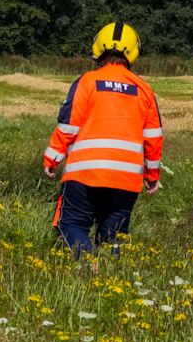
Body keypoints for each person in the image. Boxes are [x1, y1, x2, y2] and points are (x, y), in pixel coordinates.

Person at [44, 22, 163, 259]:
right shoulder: (144, 90)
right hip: (126, 178)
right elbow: (153, 138)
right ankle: (111, 281)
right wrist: (152, 176)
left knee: (72, 226)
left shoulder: (87, 81)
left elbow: (68, 124)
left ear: (98, 47)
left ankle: (88, 268)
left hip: (84, 174)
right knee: (113, 237)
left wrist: (52, 158)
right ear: (133, 51)